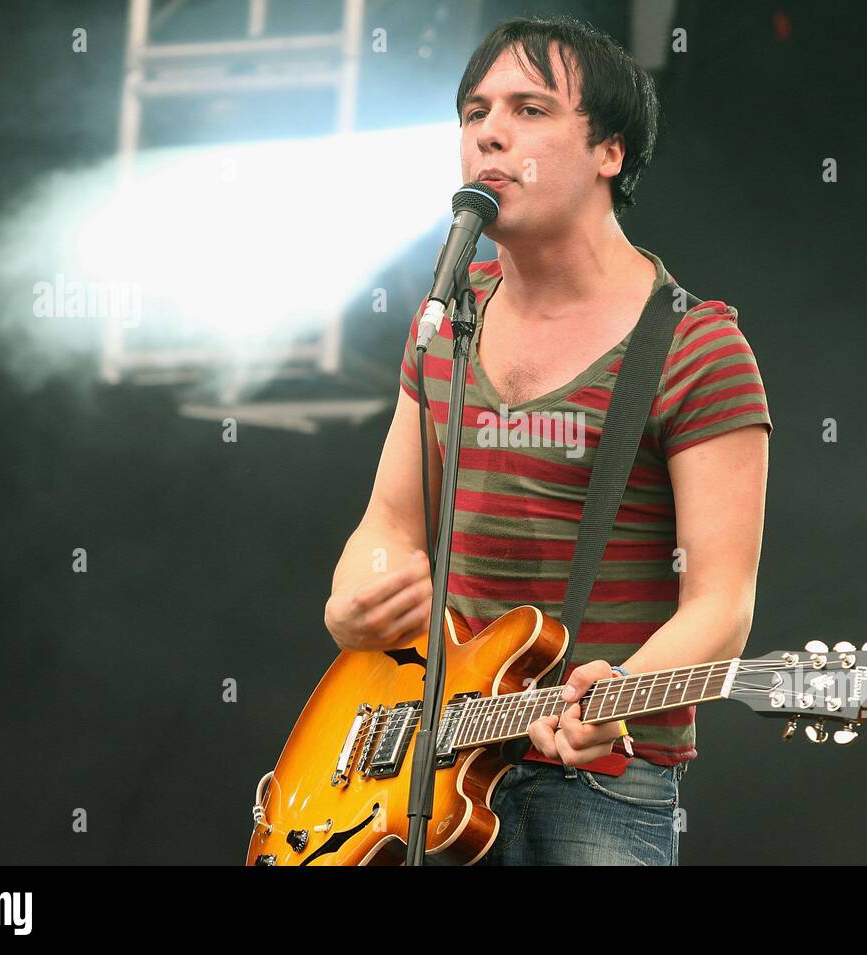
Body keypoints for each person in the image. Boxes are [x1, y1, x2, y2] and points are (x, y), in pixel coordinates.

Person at [323, 14, 771, 865]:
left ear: (610, 150)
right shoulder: (449, 319)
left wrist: (621, 693)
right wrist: (354, 596)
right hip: (427, 765)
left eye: (530, 109)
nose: (489, 131)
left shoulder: (696, 348)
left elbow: (722, 604)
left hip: (604, 784)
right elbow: (387, 526)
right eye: (474, 111)